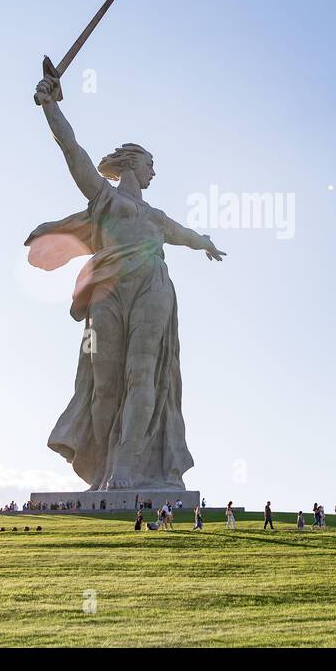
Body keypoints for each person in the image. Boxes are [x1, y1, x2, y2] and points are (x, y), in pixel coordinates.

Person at [27, 75, 225, 494]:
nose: (155, 171)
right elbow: (72, 151)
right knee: (104, 384)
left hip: (152, 287)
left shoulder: (155, 217)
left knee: (143, 375)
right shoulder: (106, 199)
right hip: (108, 292)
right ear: (133, 165)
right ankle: (102, 469)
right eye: (150, 164)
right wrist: (51, 106)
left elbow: (185, 234)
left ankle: (128, 467)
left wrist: (205, 243)